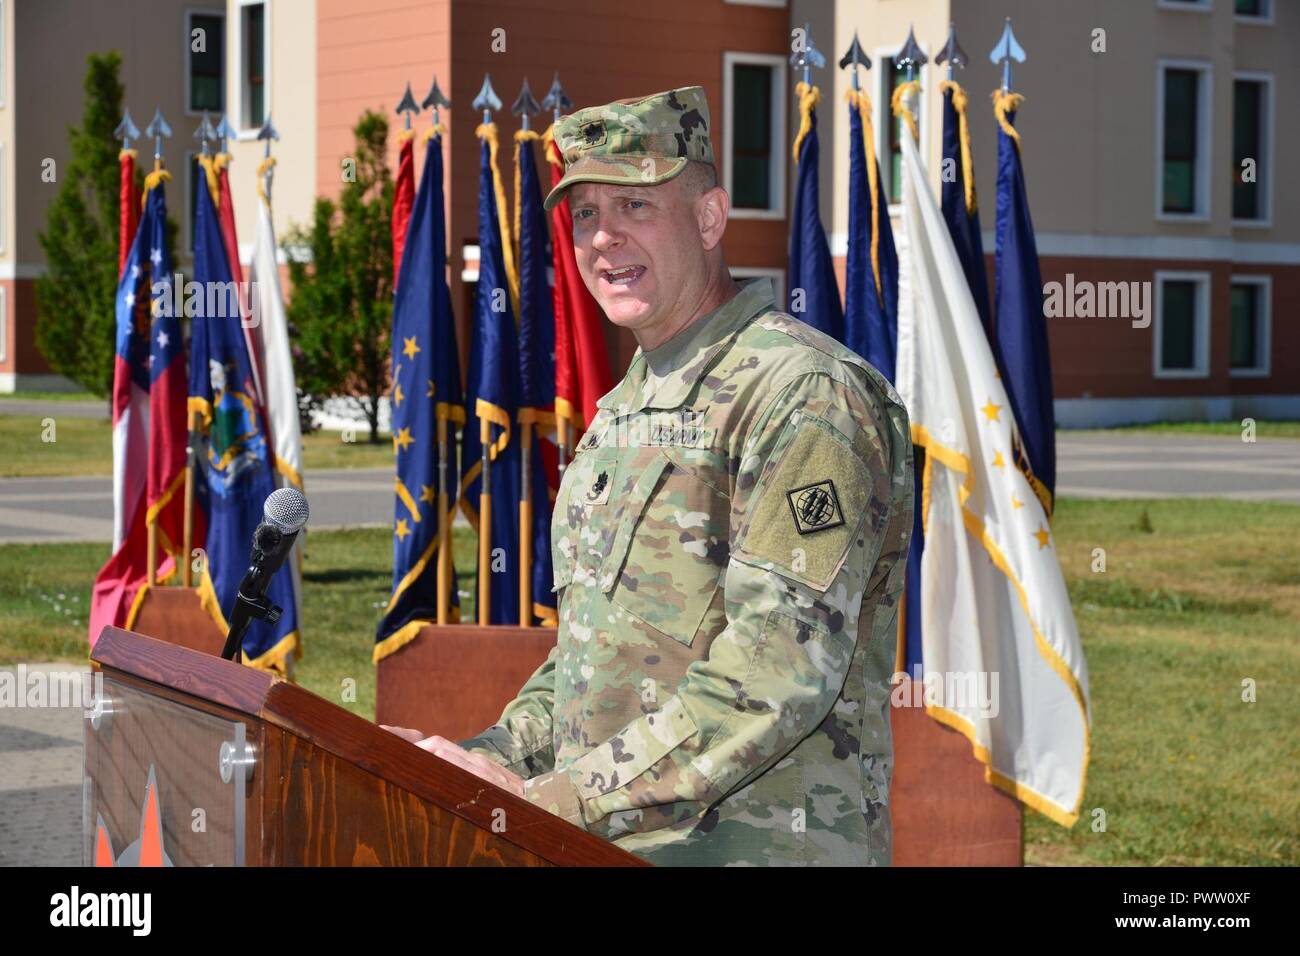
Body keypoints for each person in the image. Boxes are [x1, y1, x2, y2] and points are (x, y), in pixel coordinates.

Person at [385, 86, 913, 866]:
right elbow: (595, 654)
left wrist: (556, 802)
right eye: (585, 215)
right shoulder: (626, 407)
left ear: (709, 218)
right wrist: (490, 763)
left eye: (635, 205)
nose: (603, 238)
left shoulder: (805, 395)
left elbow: (775, 673)